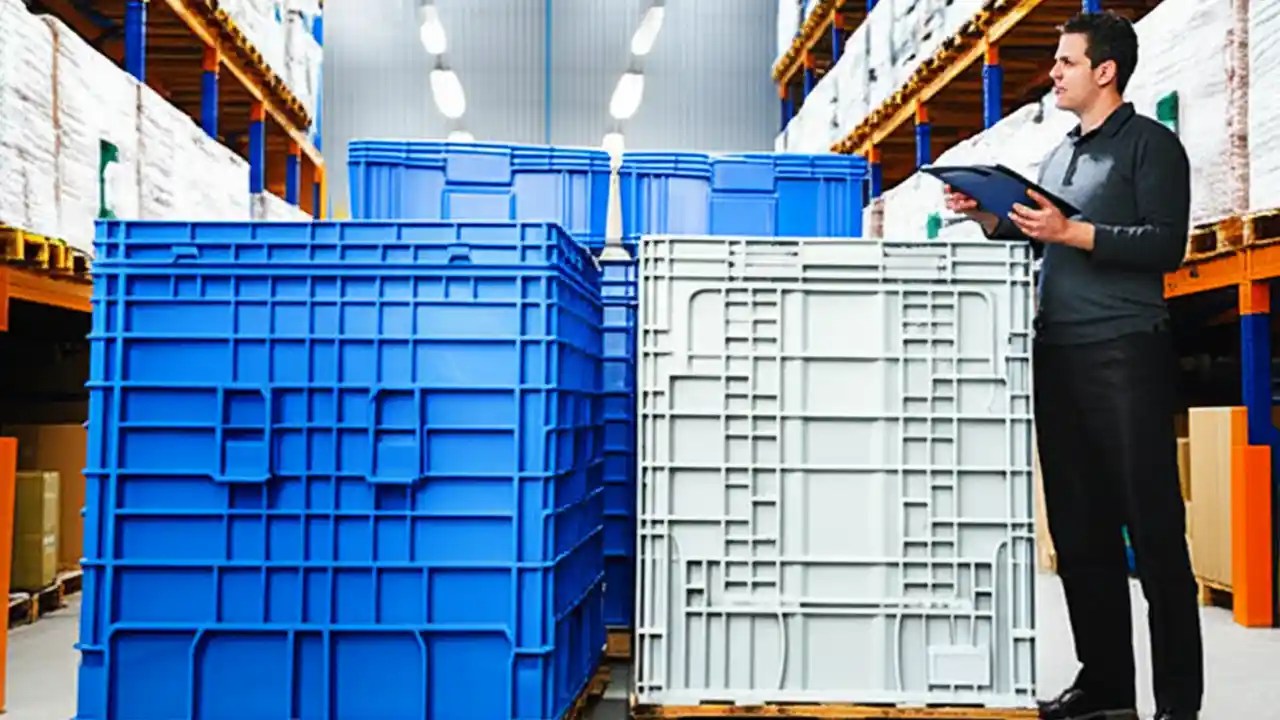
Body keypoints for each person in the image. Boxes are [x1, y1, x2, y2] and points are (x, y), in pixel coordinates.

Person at [943, 11, 1203, 720]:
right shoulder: (1059, 155)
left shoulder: (1151, 147)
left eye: (1064, 62)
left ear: (1105, 70)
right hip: (1057, 354)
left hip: (1125, 353)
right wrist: (989, 216)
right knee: (1080, 534)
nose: (1053, 73)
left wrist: (1072, 229)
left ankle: (1178, 704)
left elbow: (1164, 245)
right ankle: (1106, 690)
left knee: (1153, 539)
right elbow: (1045, 241)